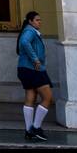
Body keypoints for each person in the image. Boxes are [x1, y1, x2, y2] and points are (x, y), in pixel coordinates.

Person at [16, 10, 53, 142]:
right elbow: (25, 43)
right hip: (33, 69)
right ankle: (36, 128)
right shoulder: (30, 31)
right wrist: (35, 59)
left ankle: (28, 130)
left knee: (30, 97)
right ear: (30, 21)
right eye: (37, 20)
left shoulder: (29, 31)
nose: (39, 22)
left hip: (26, 69)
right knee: (48, 97)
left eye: (40, 20)